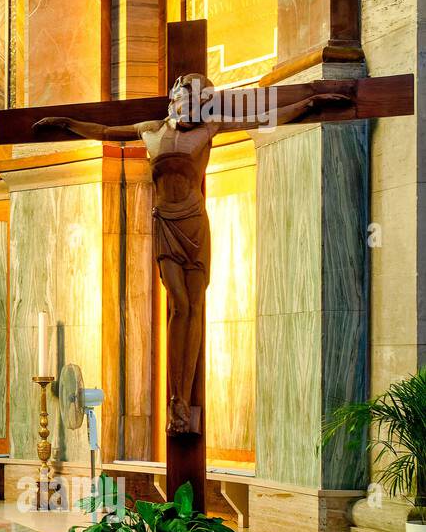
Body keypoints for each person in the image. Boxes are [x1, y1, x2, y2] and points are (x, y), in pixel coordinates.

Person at [34, 75, 352, 434]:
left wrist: (310, 103)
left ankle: (182, 398)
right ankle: (176, 396)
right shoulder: (150, 128)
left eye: (202, 102)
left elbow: (267, 116)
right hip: (165, 226)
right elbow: (106, 130)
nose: (195, 107)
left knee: (195, 305)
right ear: (174, 100)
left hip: (194, 225)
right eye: (189, 100)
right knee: (178, 304)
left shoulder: (209, 129)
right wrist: (68, 123)